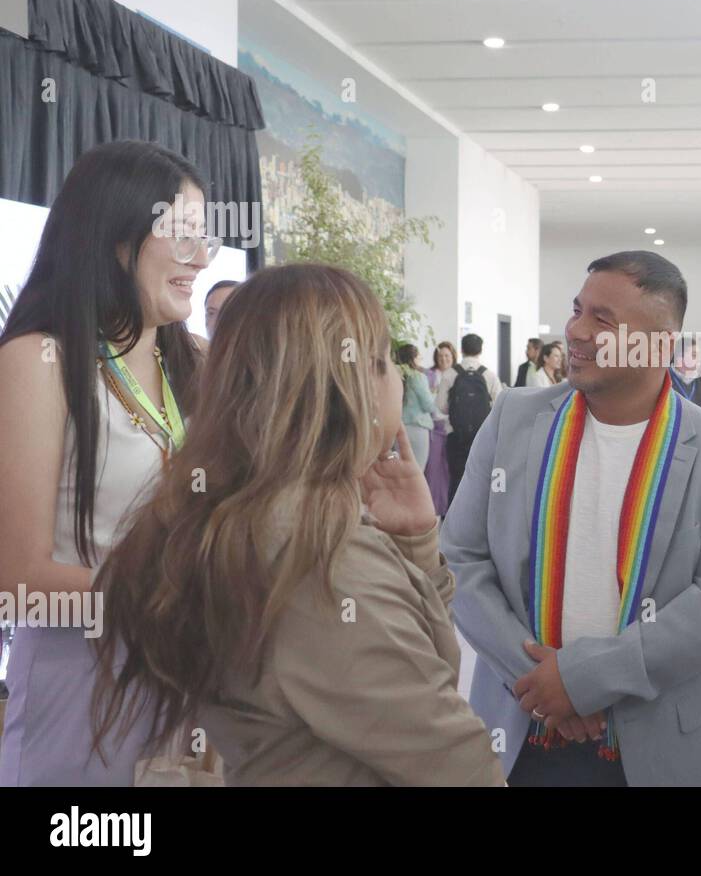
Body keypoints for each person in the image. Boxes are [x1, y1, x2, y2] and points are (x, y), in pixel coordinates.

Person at [89, 264, 503, 786]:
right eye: (381, 360)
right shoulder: (321, 554)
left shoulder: (249, 515)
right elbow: (451, 759)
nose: (396, 377)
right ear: (345, 384)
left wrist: (415, 544)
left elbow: (417, 679)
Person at [441, 250, 701, 786]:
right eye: (577, 309)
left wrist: (580, 680)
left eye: (603, 320)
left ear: (659, 345)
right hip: (521, 728)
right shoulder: (514, 421)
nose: (575, 330)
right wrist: (541, 683)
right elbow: (462, 556)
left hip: (661, 746)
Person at [0, 141, 213, 785]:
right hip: (82, 689)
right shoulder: (42, 359)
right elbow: (19, 585)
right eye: (182, 236)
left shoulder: (196, 362)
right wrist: (177, 600)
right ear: (117, 237)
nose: (201, 259)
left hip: (187, 681)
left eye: (205, 240)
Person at [436, 333, 502, 504]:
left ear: (462, 350)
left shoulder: (450, 374)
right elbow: (498, 406)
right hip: (481, 437)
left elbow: (441, 406)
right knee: (480, 480)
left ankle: (452, 522)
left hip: (455, 436)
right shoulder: (489, 375)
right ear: (480, 350)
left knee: (456, 478)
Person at [423, 341, 455, 516]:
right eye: (441, 356)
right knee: (434, 469)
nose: (444, 359)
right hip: (434, 427)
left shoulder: (456, 375)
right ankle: (433, 506)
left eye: (447, 356)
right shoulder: (429, 375)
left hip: (450, 427)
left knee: (449, 470)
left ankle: (447, 507)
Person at [395, 343, 437, 471]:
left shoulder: (395, 376)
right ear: (413, 358)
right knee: (417, 472)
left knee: (400, 471)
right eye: (418, 355)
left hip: (399, 429)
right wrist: (434, 394)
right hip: (418, 429)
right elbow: (428, 405)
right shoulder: (418, 377)